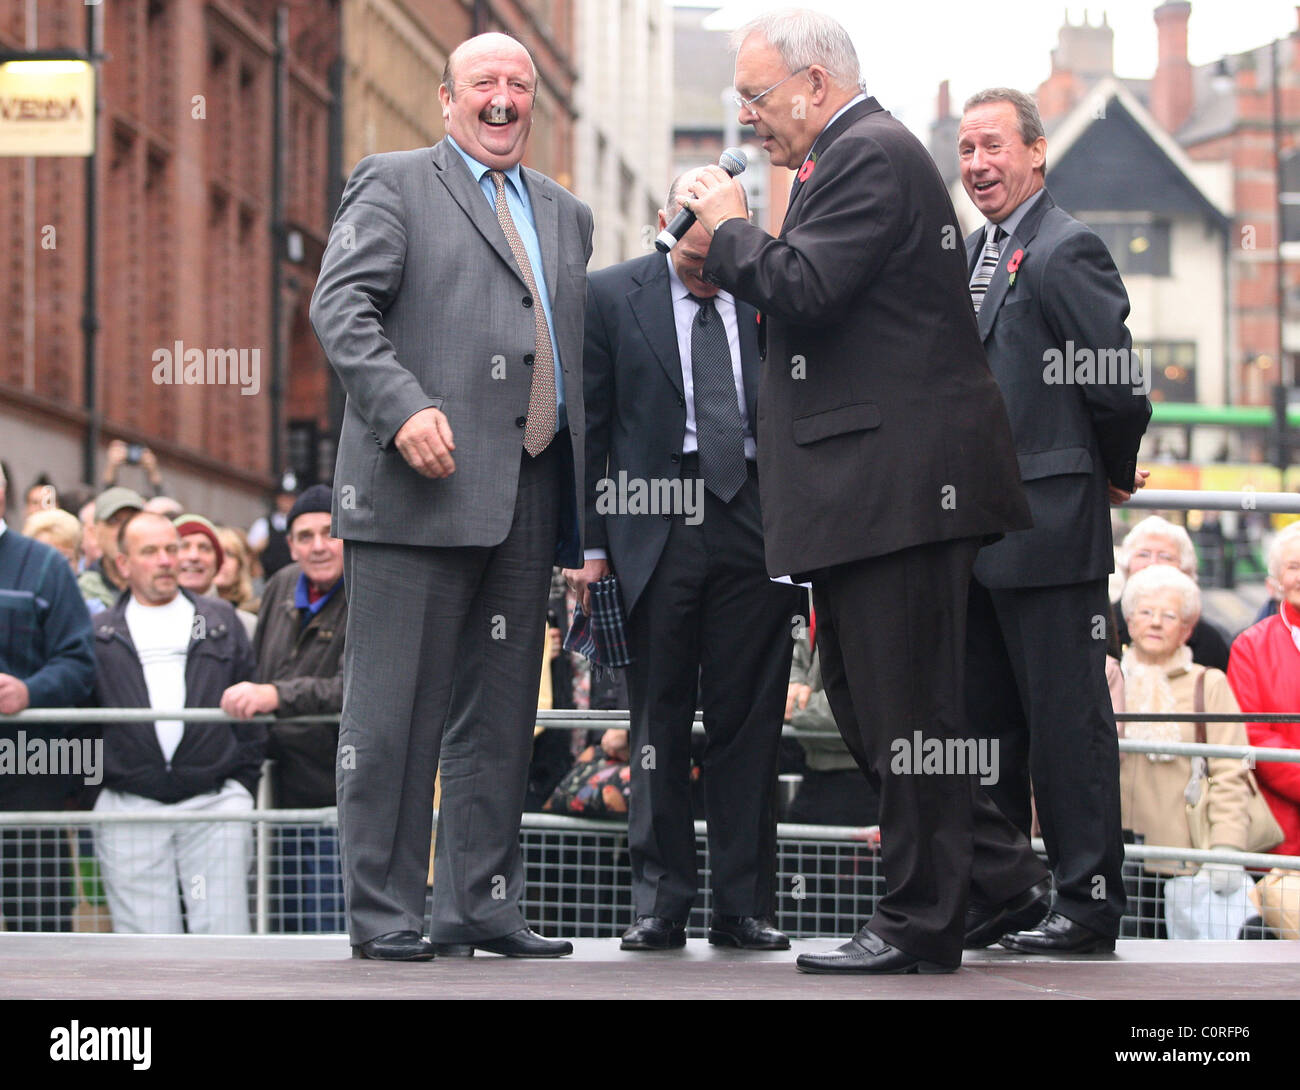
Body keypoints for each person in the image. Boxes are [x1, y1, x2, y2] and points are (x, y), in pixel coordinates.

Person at [686, 10, 1049, 974]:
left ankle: (919, 918)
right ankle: (999, 875)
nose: (748, 115)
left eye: (757, 97)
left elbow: (807, 287)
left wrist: (728, 233)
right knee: (870, 699)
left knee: (908, 712)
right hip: (872, 489)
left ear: (813, 84)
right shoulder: (848, 157)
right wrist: (728, 248)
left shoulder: (868, 153)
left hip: (899, 488)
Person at [310, 31, 593, 961]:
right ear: (447, 99)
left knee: (502, 718)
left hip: (526, 497)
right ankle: (385, 914)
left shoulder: (566, 213)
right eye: (484, 84)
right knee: (393, 717)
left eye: (518, 84)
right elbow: (339, 309)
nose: (503, 99)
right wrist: (402, 412)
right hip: (415, 496)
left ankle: (481, 905)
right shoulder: (391, 184)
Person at [567, 169, 799, 952]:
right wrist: (591, 546)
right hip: (649, 524)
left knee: (751, 719)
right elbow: (590, 430)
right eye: (694, 257)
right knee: (656, 717)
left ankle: (742, 906)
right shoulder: (608, 296)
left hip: (755, 518)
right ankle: (660, 904)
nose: (707, 272)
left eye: (718, 259)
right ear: (666, 224)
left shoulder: (768, 288)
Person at [946, 87, 1153, 954]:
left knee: (1070, 730)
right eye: (966, 150)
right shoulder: (975, 252)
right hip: (984, 540)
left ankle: (1088, 906)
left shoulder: (1068, 248)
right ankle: (1010, 895)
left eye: (994, 146)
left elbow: (1117, 385)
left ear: (1037, 154)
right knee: (988, 734)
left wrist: (1108, 475)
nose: (979, 165)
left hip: (1054, 531)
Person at [90, 511, 262, 933]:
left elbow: (253, 711)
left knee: (222, 942)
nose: (168, 560)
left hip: (214, 804)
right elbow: (80, 724)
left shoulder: (221, 622)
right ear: (123, 565)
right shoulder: (99, 633)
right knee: (146, 951)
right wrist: (95, 791)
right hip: (130, 807)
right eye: (151, 551)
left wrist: (241, 787)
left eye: (173, 548)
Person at [220, 485, 345, 931]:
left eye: (330, 533)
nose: (317, 546)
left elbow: (363, 687)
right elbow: (256, 665)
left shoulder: (371, 589)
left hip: (339, 792)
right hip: (279, 784)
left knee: (330, 921)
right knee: (282, 922)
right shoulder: (278, 586)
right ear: (289, 544)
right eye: (304, 536)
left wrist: (278, 695)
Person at [1118, 564, 1251, 937]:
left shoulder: (1209, 684)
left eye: (1169, 615)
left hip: (1183, 863)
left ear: (1188, 628)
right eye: (1145, 612)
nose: (1155, 623)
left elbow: (1231, 771)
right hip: (1111, 857)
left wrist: (1227, 848)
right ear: (1128, 620)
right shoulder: (1107, 676)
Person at [0, 463, 95, 931]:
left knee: (36, 916)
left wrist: (28, 690)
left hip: (28, 761)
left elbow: (79, 663)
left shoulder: (44, 566)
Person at [1114, 515, 1229, 669]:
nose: (1153, 564)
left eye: (1165, 556)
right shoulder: (1102, 625)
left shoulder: (1210, 642)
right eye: (1143, 554)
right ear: (1126, 566)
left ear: (1185, 570)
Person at [173, 514, 256, 638]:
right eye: (184, 546)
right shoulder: (144, 617)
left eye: (204, 548)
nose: (194, 556)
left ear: (217, 561)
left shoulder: (245, 626)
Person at [78, 487, 145, 609]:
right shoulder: (80, 591)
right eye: (113, 521)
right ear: (94, 532)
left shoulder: (162, 587)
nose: (122, 530)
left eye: (131, 520)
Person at [214, 526, 261, 615]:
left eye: (229, 554)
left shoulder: (256, 613)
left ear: (240, 566)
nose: (222, 561)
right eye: (217, 553)